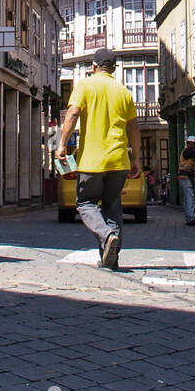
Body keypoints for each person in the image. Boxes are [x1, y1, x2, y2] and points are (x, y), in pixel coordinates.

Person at [56, 48, 141, 270]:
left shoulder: (85, 85)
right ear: (114, 68)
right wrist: (137, 159)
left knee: (85, 203)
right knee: (113, 207)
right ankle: (111, 256)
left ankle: (106, 235)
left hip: (91, 161)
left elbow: (73, 113)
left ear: (93, 66)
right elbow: (133, 129)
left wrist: (62, 144)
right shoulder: (123, 91)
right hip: (118, 160)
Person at [177, 134, 195, 225]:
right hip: (185, 177)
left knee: (188, 198)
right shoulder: (187, 152)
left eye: (192, 144)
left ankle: (189, 217)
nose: (190, 145)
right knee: (189, 198)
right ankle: (191, 218)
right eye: (189, 144)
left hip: (188, 178)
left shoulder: (192, 156)